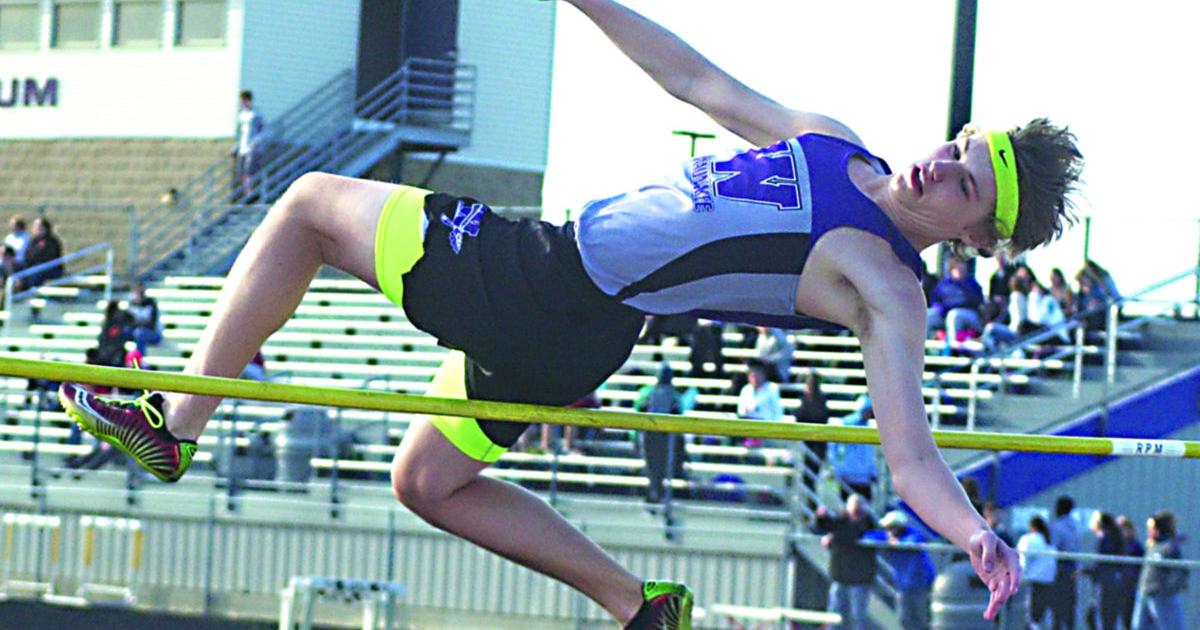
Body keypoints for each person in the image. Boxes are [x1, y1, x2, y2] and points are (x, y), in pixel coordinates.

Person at [58, 2, 1082, 625]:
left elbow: (907, 458)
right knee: (427, 481)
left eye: (965, 184)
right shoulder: (835, 140)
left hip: (546, 280)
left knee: (310, 206)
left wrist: (974, 535)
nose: (943, 161)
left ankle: (174, 429)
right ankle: (636, 605)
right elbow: (696, 79)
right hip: (582, 328)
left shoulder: (890, 288)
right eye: (961, 143)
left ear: (977, 236)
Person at [863, 510, 935, 630]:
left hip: (920, 584)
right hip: (902, 585)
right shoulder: (887, 536)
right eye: (887, 528)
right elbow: (869, 537)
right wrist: (889, 540)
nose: (889, 531)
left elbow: (914, 541)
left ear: (899, 527)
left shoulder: (913, 534)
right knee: (903, 618)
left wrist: (897, 542)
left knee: (921, 618)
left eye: (891, 528)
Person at [815, 495, 877, 630]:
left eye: (858, 508)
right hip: (839, 577)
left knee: (857, 618)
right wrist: (821, 516)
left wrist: (833, 536)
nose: (855, 512)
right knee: (834, 616)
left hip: (859, 580)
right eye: (853, 508)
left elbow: (854, 534)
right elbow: (826, 525)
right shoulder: (841, 520)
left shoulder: (868, 523)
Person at [633, 363, 688, 505]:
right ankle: (656, 495)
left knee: (655, 469)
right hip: (658, 437)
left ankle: (655, 495)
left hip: (657, 437)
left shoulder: (649, 392)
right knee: (658, 469)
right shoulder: (668, 394)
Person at [1133, 511, 1187, 630]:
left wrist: (1165, 590)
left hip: (1160, 597)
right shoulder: (1152, 546)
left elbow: (1180, 573)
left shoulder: (1170, 547)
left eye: (1152, 528)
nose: (1149, 531)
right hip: (1144, 594)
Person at [926, 258, 985, 346]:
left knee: (953, 315)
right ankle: (926, 346)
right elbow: (935, 300)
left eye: (963, 266)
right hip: (944, 313)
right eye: (958, 266)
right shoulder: (944, 283)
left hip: (966, 313)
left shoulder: (971, 283)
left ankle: (953, 349)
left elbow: (976, 301)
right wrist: (941, 309)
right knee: (929, 315)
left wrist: (954, 305)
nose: (960, 269)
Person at [794, 370, 830, 512]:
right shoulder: (820, 401)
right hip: (813, 446)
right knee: (810, 480)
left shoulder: (814, 402)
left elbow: (799, 417)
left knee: (810, 479)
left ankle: (812, 509)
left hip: (814, 446)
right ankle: (810, 509)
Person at [1085, 511, 1125, 630]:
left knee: (1101, 618)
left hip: (1105, 582)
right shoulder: (1114, 536)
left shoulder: (1105, 537)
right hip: (1113, 581)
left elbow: (1103, 562)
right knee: (1107, 618)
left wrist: (1088, 571)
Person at [1018, 515, 1058, 629]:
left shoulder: (1029, 539)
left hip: (1032, 582)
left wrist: (1018, 578)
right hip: (1048, 583)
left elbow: (1023, 561)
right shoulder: (1049, 541)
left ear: (1032, 527)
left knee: (1031, 617)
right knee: (1039, 616)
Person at [1049, 496, 1083, 630]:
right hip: (1072, 569)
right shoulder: (1076, 526)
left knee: (1057, 606)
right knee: (1070, 604)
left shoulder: (1057, 527)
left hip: (1060, 569)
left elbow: (1053, 548)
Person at [232, 90, 266, 201]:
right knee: (242, 172)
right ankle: (248, 193)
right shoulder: (241, 115)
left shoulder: (256, 113)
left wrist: (257, 141)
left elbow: (263, 129)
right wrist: (235, 147)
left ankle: (251, 193)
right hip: (242, 148)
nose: (243, 103)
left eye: (245, 100)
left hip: (252, 147)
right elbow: (239, 133)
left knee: (249, 171)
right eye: (242, 101)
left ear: (249, 100)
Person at [1117, 515, 1146, 630]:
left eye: (1121, 529)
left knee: (1128, 620)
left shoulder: (1135, 546)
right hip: (1118, 588)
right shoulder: (1117, 546)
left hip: (1130, 590)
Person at [20, 216, 64, 290]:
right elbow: (27, 256)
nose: (35, 228)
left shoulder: (52, 241)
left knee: (36, 274)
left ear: (45, 228)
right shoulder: (33, 241)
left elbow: (47, 257)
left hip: (50, 269)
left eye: (38, 226)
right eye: (34, 226)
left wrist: (34, 257)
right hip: (35, 267)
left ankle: (30, 294)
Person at [126, 282, 163, 354]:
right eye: (136, 293)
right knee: (124, 331)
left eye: (140, 293)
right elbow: (128, 322)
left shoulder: (151, 304)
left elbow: (151, 325)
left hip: (153, 334)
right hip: (135, 332)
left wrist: (136, 325)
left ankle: (139, 358)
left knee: (140, 333)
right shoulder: (132, 304)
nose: (137, 295)